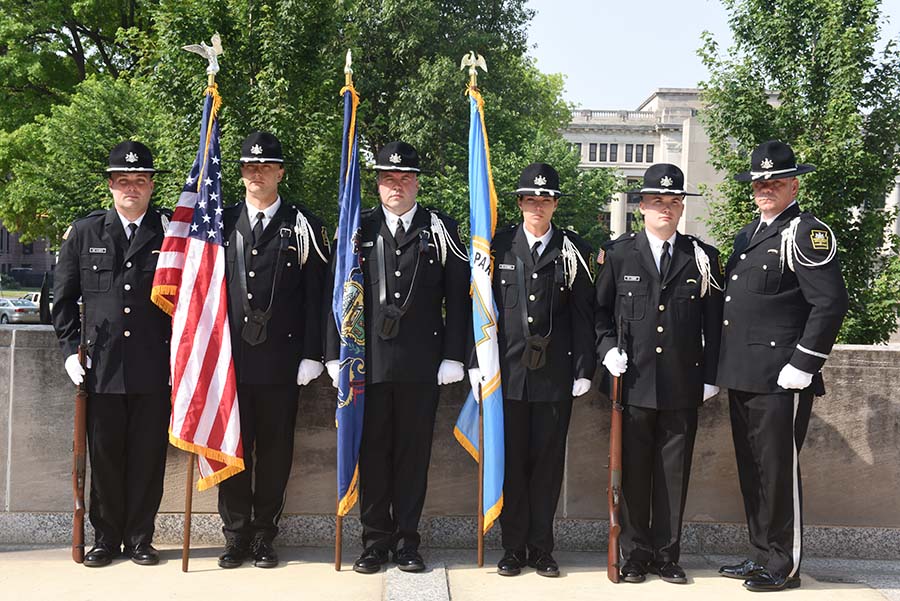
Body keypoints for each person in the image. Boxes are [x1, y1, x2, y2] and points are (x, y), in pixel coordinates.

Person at [325, 141, 470, 574]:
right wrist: (333, 354)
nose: (397, 186)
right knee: (372, 454)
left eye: (405, 178)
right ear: (377, 183)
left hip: (422, 364)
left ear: (417, 183)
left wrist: (453, 355)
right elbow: (336, 293)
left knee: (412, 456)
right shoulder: (359, 227)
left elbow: (458, 298)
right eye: (389, 178)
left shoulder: (440, 229)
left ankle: (408, 541)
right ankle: (374, 542)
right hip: (367, 364)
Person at [716, 140, 848, 592]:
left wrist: (804, 363)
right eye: (759, 183)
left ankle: (784, 565)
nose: (766, 189)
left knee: (778, 473)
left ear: (794, 185)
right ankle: (761, 554)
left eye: (775, 182)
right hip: (743, 373)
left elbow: (830, 303)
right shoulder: (748, 234)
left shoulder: (806, 233)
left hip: (781, 377)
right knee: (753, 470)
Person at [595, 163, 723, 584]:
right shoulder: (618, 254)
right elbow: (599, 314)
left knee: (673, 474)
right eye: (656, 201)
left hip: (682, 384)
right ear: (642, 207)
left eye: (673, 201)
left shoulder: (701, 258)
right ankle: (634, 555)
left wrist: (710, 376)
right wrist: (607, 350)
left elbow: (714, 323)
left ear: (681, 207)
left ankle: (667, 555)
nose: (665, 208)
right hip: (632, 384)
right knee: (632, 473)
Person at [470, 163, 595, 578]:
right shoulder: (498, 247)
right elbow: (479, 307)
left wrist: (583, 368)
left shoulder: (574, 250)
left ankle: (541, 548)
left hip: (555, 377)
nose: (537, 206)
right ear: (520, 203)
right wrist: (474, 361)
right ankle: (512, 547)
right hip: (506, 375)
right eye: (529, 199)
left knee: (546, 466)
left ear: (555, 203)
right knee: (511, 464)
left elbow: (584, 314)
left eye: (545, 199)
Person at [52, 140, 172, 567]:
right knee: (103, 459)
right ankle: (105, 538)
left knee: (147, 459)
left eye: (140, 180)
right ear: (110, 185)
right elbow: (62, 300)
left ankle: (140, 538)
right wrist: (70, 350)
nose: (131, 188)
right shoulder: (85, 233)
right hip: (100, 368)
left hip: (154, 367)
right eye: (123, 180)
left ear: (152, 185)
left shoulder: (170, 233)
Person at [216, 131, 330, 569]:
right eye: (249, 166)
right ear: (241, 173)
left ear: (280, 172)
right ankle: (235, 535)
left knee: (275, 452)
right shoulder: (221, 221)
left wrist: (313, 353)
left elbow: (317, 296)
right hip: (229, 362)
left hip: (282, 362)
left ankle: (264, 533)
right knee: (232, 449)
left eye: (265, 167)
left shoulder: (303, 225)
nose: (257, 173)